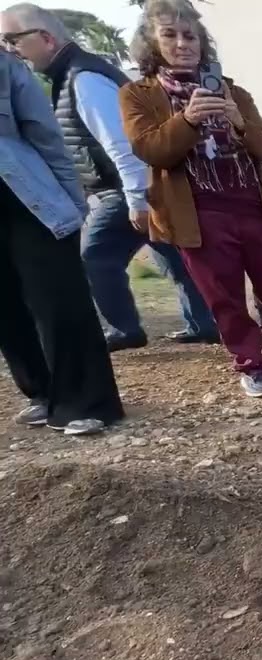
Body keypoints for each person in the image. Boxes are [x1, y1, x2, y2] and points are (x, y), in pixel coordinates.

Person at [120, 0, 262, 398]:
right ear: (152, 43)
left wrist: (238, 120)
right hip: (198, 214)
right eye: (170, 35)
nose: (183, 43)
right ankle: (251, 365)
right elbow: (151, 150)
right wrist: (188, 120)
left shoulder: (233, 90)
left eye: (190, 35)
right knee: (225, 298)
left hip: (253, 204)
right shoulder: (138, 95)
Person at [1, 2, 217, 351]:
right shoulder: (73, 74)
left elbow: (123, 145)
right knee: (172, 255)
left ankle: (124, 330)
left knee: (95, 256)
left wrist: (136, 199)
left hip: (124, 188)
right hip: (134, 186)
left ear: (45, 38)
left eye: (13, 40)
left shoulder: (84, 78)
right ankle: (205, 322)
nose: (10, 50)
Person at [0, 50, 123, 436]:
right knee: (4, 307)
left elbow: (47, 136)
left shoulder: (6, 67)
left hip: (26, 202)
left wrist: (72, 202)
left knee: (58, 300)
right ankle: (43, 392)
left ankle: (86, 401)